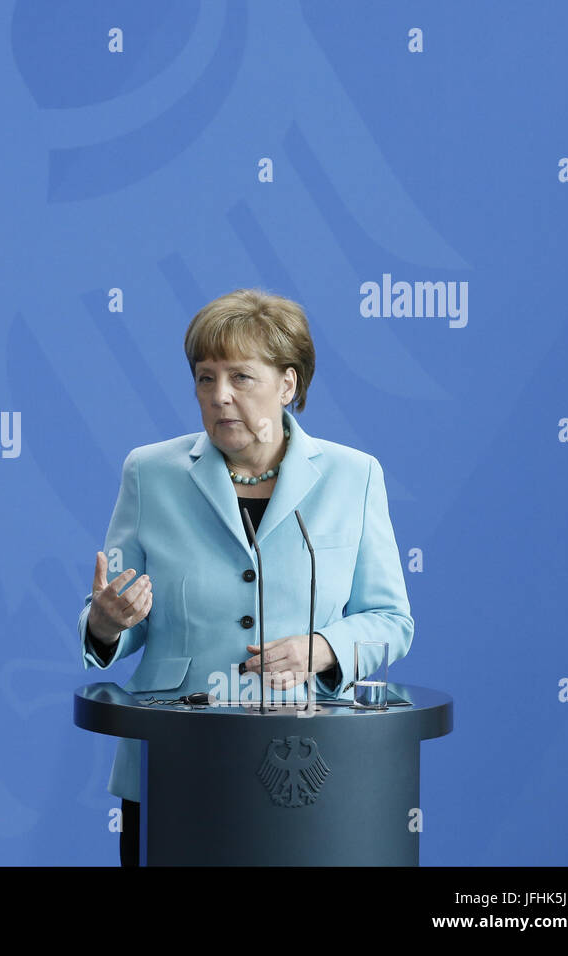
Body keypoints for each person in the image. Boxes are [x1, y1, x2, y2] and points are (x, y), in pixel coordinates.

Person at [78, 289, 413, 865]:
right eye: (205, 378)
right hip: (175, 756)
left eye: (241, 377)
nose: (220, 396)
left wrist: (324, 648)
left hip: (309, 756)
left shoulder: (353, 476)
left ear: (288, 384)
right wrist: (107, 624)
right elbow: (121, 615)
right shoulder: (150, 473)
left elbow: (391, 621)